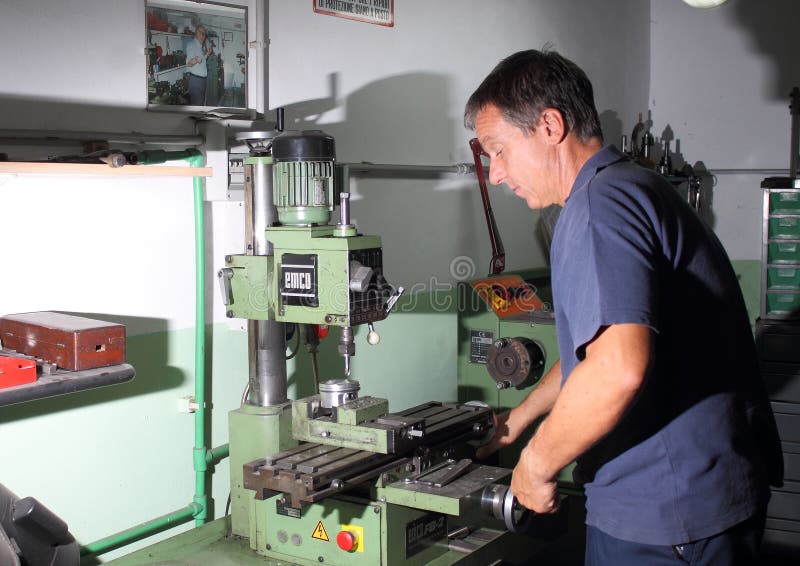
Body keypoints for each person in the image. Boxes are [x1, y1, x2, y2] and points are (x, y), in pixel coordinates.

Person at [464, 49, 783, 565]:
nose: (495, 174)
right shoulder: (635, 186)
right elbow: (594, 352)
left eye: (499, 151)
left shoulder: (599, 206)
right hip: (709, 492)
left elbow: (616, 369)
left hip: (664, 512)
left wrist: (535, 465)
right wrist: (520, 418)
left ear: (550, 126)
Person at [186, 24, 212, 105]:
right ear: (197, 32)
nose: (203, 36)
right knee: (197, 106)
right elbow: (189, 64)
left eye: (204, 34)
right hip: (196, 81)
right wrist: (196, 60)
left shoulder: (200, 47)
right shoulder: (191, 45)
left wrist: (207, 54)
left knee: (201, 103)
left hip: (202, 80)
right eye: (202, 33)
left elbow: (202, 60)